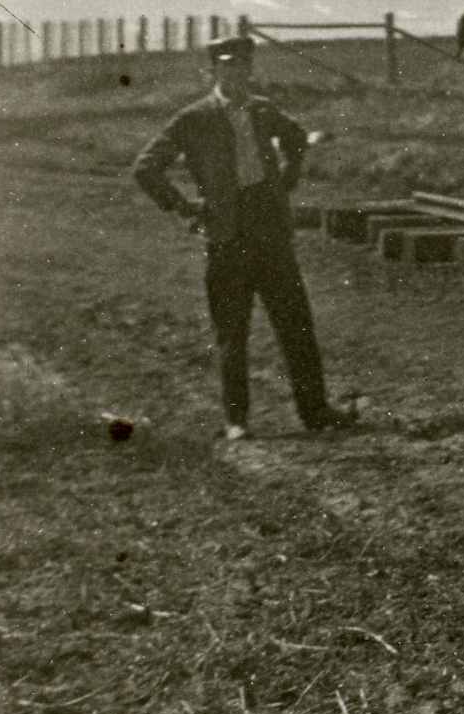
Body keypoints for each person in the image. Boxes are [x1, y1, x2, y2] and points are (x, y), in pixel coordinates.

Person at [132, 36, 353, 443]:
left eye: (242, 66)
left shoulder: (263, 110)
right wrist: (184, 207)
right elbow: (145, 167)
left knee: (296, 324)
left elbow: (296, 137)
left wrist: (289, 175)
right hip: (227, 238)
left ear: (250, 69)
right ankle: (237, 421)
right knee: (232, 332)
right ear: (213, 70)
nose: (235, 74)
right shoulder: (193, 118)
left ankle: (316, 412)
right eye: (226, 66)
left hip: (271, 233)